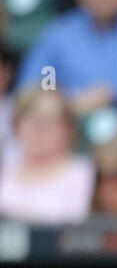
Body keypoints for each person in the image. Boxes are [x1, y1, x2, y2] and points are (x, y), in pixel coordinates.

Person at [0, 89, 95, 225]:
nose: (39, 129)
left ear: (69, 129)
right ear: (16, 127)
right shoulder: (4, 173)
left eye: (50, 120)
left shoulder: (85, 173)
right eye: (31, 119)